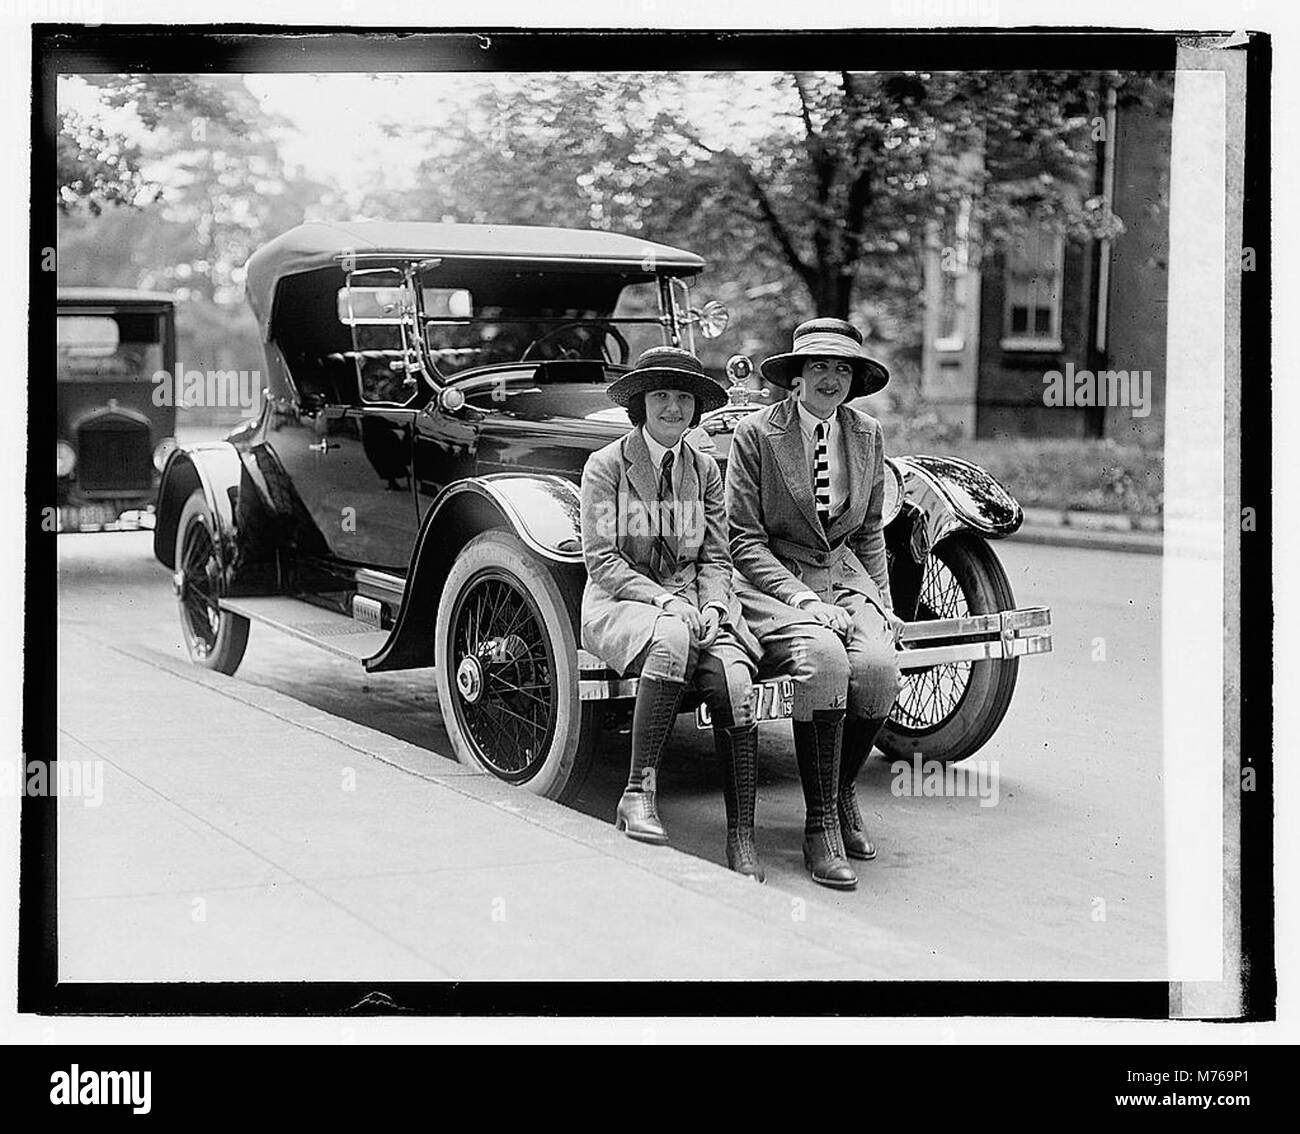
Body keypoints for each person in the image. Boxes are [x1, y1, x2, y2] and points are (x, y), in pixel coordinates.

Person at [725, 318, 903, 890]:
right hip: (775, 578)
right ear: (797, 376)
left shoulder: (867, 433)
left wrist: (884, 603)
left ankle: (840, 788)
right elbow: (742, 541)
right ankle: (820, 824)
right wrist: (801, 597)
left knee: (877, 668)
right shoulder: (756, 435)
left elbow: (870, 531)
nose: (831, 378)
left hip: (846, 576)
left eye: (842, 368)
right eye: (819, 366)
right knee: (824, 659)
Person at [580, 346, 766, 880]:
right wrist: (663, 600)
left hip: (690, 602)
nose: (672, 408)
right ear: (641, 404)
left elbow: (715, 556)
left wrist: (711, 604)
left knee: (732, 676)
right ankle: (637, 792)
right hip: (621, 602)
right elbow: (602, 560)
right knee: (669, 639)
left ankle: (742, 837)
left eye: (683, 398)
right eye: (660, 396)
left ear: (695, 409)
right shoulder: (606, 465)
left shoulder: (705, 469)